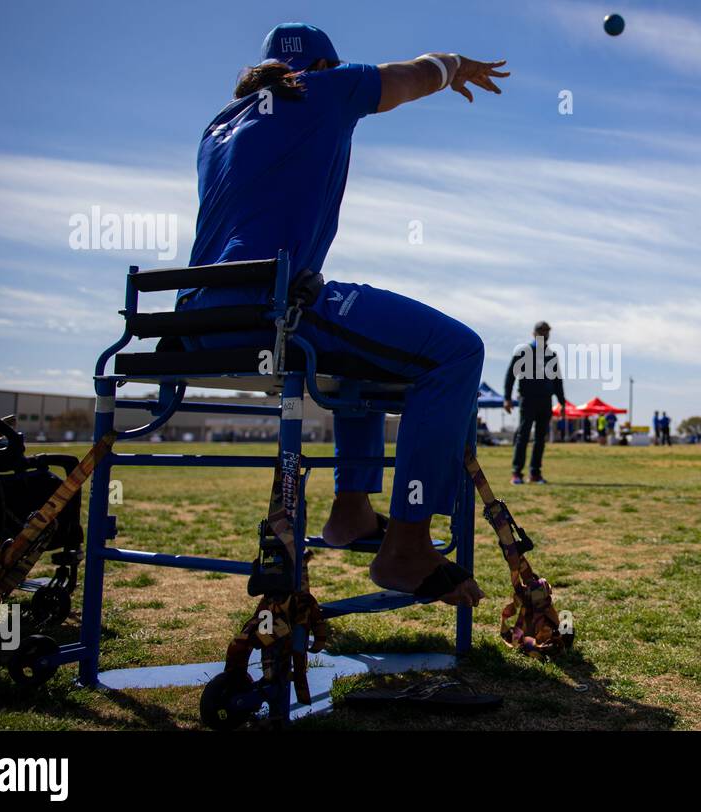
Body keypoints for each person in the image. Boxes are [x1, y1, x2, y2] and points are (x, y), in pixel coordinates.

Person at [176, 23, 509, 607]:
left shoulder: (219, 123)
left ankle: (352, 512)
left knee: (358, 366)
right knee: (457, 352)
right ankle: (406, 546)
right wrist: (454, 62)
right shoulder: (323, 90)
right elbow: (411, 75)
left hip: (196, 318)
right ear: (325, 66)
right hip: (267, 308)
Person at [504, 321, 566, 484]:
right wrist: (507, 398)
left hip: (545, 401)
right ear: (534, 333)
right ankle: (516, 472)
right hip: (527, 399)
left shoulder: (551, 355)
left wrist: (562, 403)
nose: (544, 334)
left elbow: (557, 381)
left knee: (540, 438)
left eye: (547, 331)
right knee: (523, 435)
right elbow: (510, 376)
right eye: (541, 331)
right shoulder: (524, 352)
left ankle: (535, 473)